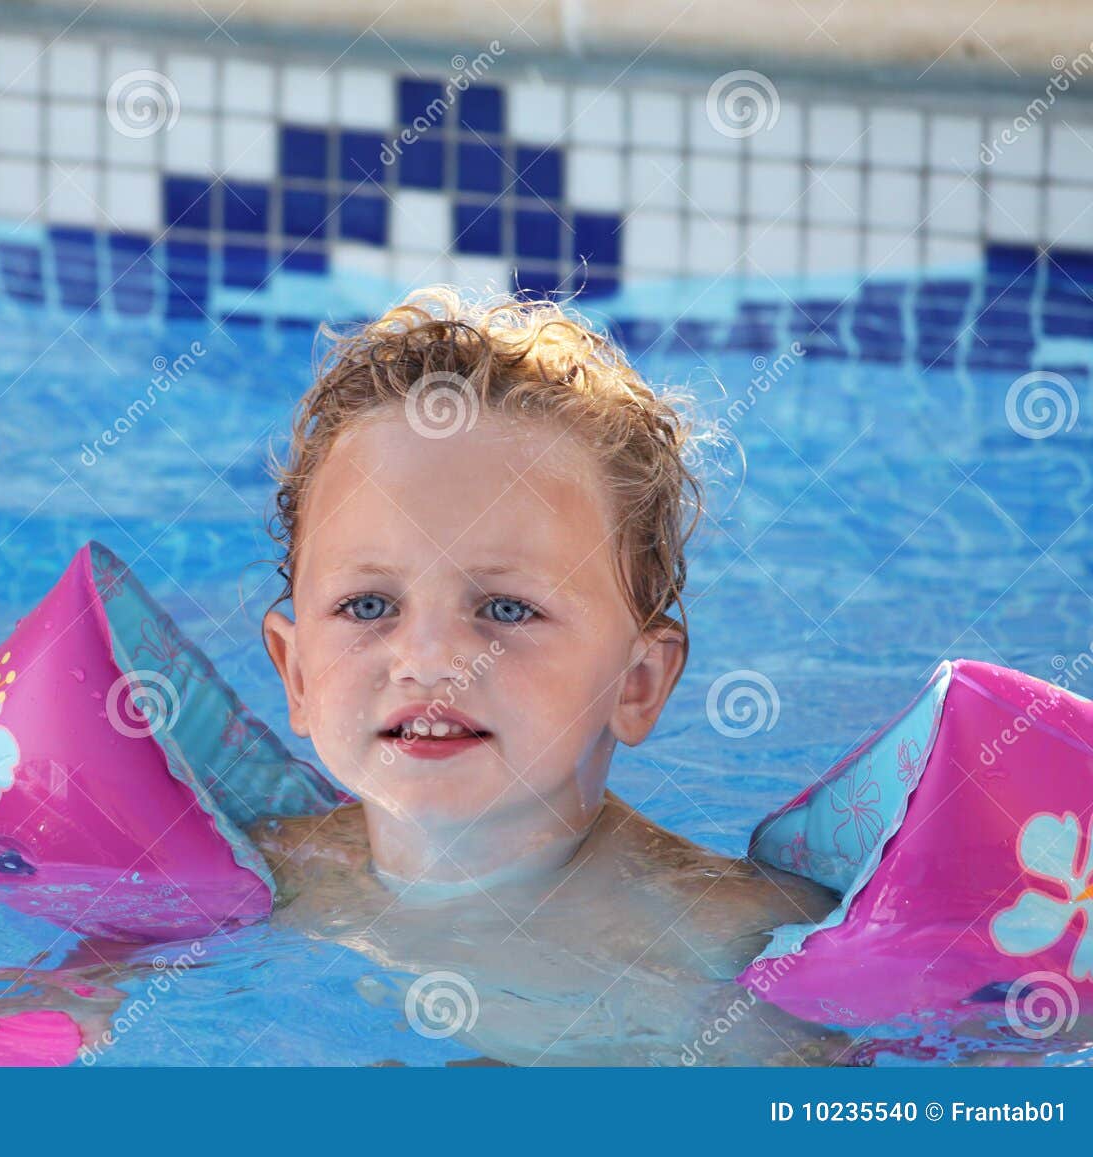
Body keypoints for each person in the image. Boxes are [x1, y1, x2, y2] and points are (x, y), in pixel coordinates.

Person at [252, 286, 845, 1064]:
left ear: (636, 684)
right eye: (368, 604)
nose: (428, 657)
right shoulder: (270, 874)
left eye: (504, 609)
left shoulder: (730, 943)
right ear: (296, 675)